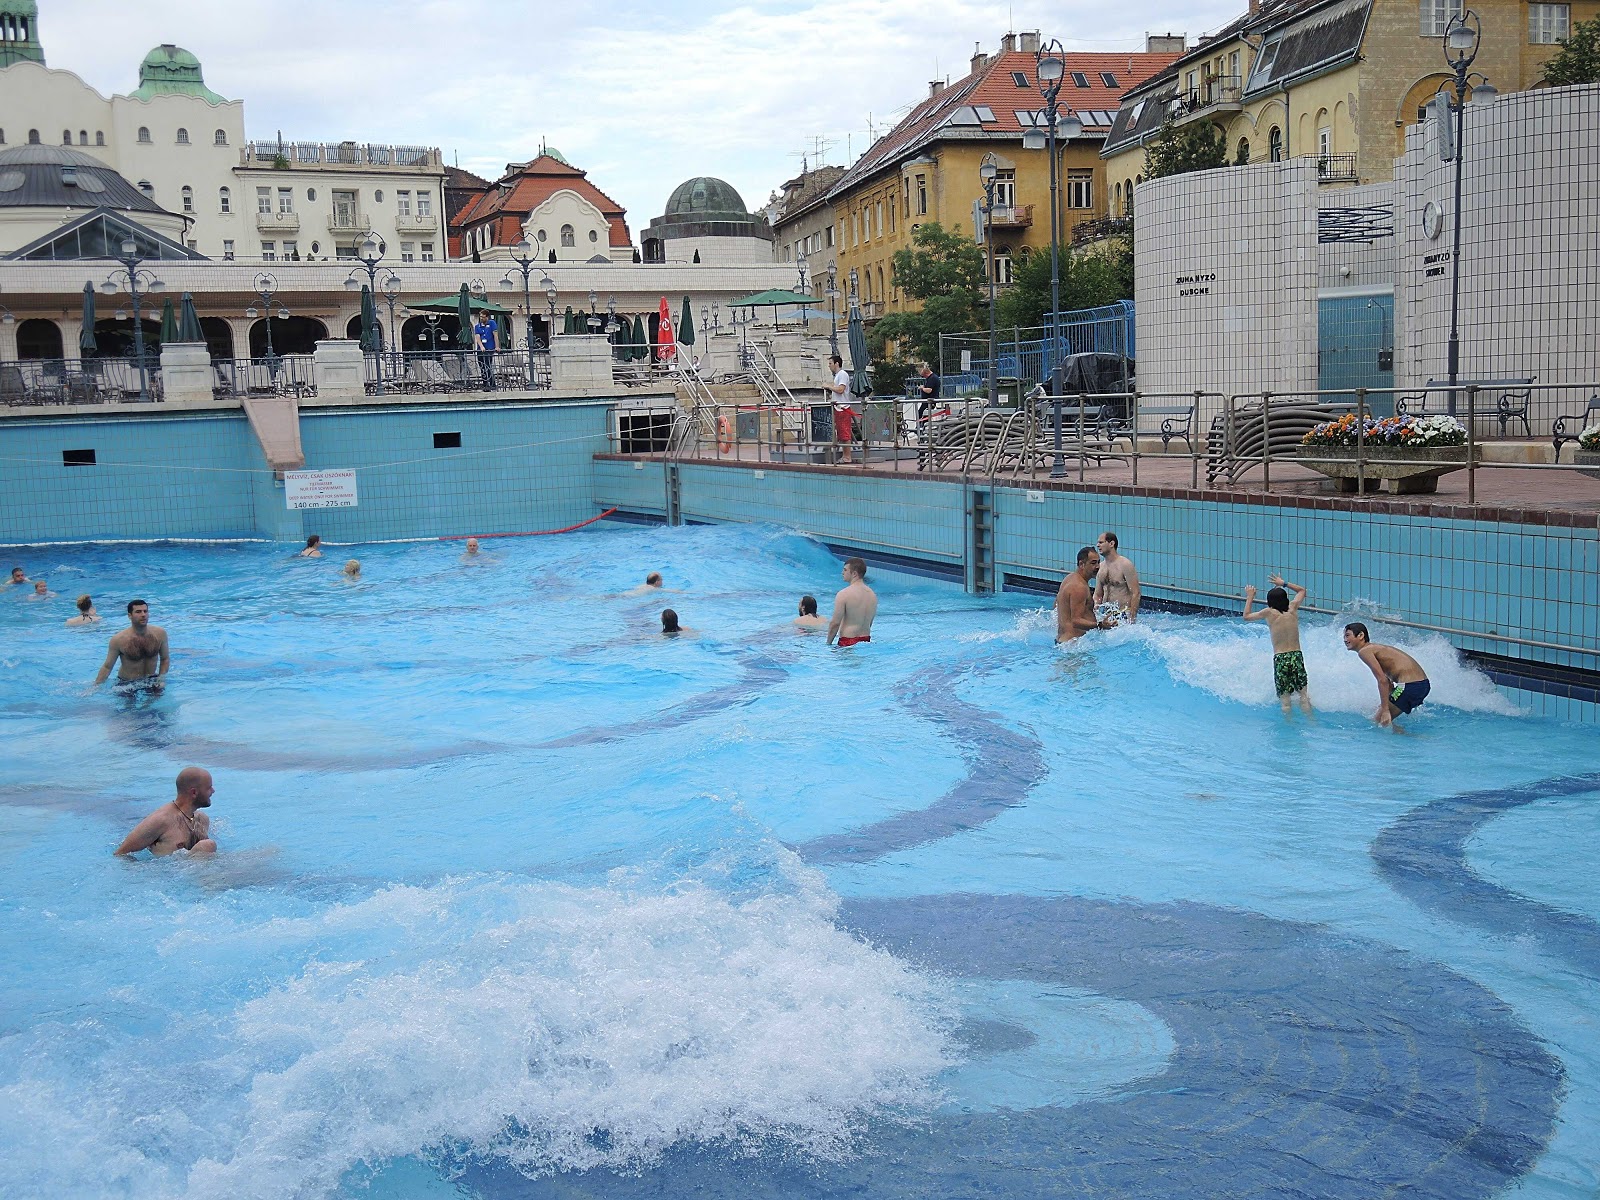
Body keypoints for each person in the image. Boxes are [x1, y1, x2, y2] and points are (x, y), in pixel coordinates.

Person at [1243, 574, 1313, 715]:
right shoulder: (1293, 608)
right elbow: (1302, 591)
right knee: (1304, 697)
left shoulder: (1269, 613)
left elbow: (1246, 616)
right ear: (1286, 599)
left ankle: (1288, 725)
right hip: (1296, 656)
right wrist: (1283, 583)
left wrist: (1250, 596)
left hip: (1281, 658)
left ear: (1269, 602)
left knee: (1285, 701)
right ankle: (1311, 721)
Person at [114, 766, 217, 857]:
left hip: (187, 869)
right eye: (209, 788)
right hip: (166, 871)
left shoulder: (202, 820)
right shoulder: (161, 820)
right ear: (194, 792)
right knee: (207, 846)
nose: (213, 791)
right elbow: (121, 854)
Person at [1345, 622, 1430, 727]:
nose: (1345, 639)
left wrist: (1385, 710)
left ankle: (1411, 736)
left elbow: (1382, 680)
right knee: (1380, 715)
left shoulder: (1364, 651)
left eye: (1347, 635)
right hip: (1421, 685)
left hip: (1410, 686)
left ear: (1361, 635)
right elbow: (1388, 682)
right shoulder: (1374, 649)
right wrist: (1384, 705)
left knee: (1380, 721)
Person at [92, 599, 170, 692]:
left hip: (151, 679)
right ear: (129, 615)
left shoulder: (160, 634)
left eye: (145, 611)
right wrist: (95, 687)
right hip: (126, 683)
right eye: (138, 612)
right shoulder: (118, 639)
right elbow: (107, 667)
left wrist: (161, 679)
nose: (143, 615)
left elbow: (165, 659)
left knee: (157, 699)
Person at [1055, 546, 1113, 643]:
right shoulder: (1079, 587)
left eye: (1098, 562)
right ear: (1081, 564)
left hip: (1064, 641)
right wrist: (1100, 625)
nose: (1098, 566)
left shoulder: (1069, 578)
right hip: (1073, 645)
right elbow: (1076, 621)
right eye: (1093, 563)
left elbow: (1057, 603)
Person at [1092, 531, 1141, 624]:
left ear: (1111, 543)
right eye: (1098, 543)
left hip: (1123, 614)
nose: (1097, 545)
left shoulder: (1125, 565)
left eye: (1101, 542)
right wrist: (1096, 609)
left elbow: (1136, 593)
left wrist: (1132, 617)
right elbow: (1098, 594)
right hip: (1106, 614)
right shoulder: (1100, 567)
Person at [828, 557, 877, 646]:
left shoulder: (844, 594)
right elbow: (869, 623)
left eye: (845, 570)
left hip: (847, 642)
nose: (842, 573)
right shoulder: (872, 595)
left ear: (854, 574)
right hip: (866, 641)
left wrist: (828, 644)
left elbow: (835, 623)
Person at [828, 353, 856, 464]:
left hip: (843, 407)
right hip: (839, 407)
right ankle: (845, 455)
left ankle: (847, 456)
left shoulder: (842, 374)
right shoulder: (838, 376)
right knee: (841, 432)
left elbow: (841, 390)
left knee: (844, 432)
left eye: (830, 363)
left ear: (836, 364)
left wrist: (829, 386)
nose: (829, 366)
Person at [473, 309, 499, 390]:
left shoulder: (492, 323)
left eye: (483, 317)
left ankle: (492, 384)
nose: (481, 318)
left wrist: (497, 346)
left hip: (489, 348)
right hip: (480, 350)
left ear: (487, 317)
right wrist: (481, 346)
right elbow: (477, 337)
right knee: (482, 367)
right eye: (480, 317)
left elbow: (495, 335)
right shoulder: (477, 326)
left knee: (488, 366)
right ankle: (485, 384)